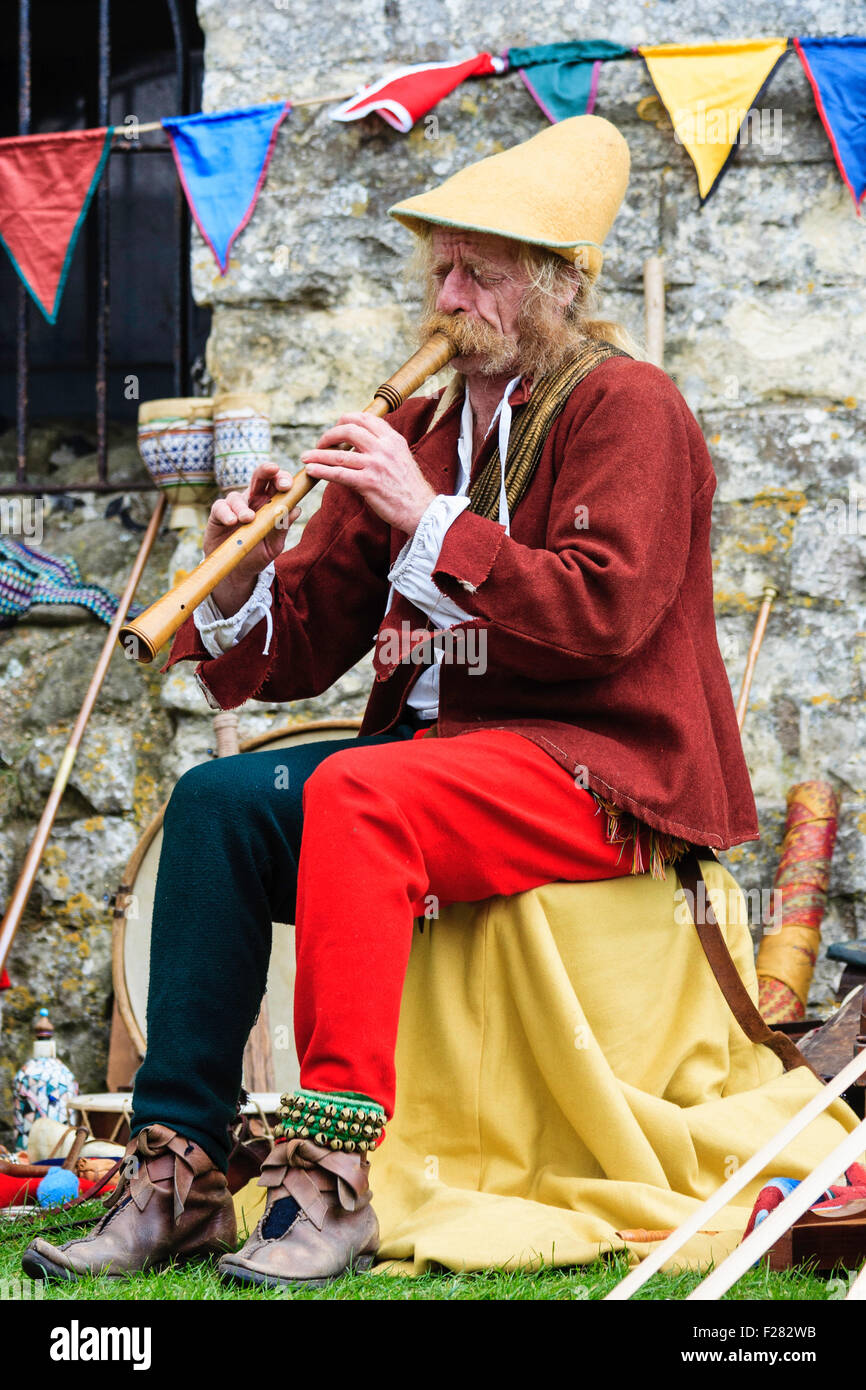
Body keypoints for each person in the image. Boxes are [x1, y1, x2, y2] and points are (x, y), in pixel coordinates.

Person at [24, 114, 759, 1289]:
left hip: (590, 765)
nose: (447, 293)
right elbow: (307, 645)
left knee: (362, 792)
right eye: (439, 268)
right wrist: (253, 567)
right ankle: (182, 1170)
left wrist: (429, 518)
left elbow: (601, 618)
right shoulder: (418, 427)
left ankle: (328, 1178)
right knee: (219, 801)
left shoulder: (629, 409)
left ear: (559, 283)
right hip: (436, 763)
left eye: (480, 271)